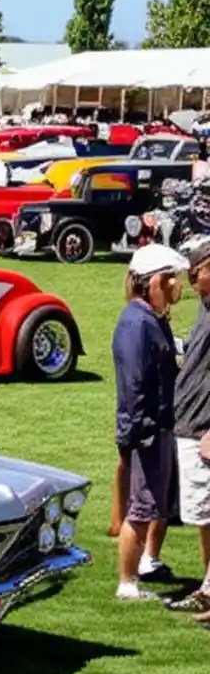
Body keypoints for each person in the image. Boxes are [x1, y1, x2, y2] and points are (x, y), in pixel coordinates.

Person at [113, 243, 187, 601]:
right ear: (153, 282)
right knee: (140, 509)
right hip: (147, 431)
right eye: (170, 278)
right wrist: (138, 434)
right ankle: (127, 583)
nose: (176, 286)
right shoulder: (136, 325)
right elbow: (134, 385)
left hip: (157, 426)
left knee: (153, 504)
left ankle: (144, 564)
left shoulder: (151, 320)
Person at [167, 238, 210, 617]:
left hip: (204, 430)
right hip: (190, 422)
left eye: (197, 272)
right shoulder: (205, 307)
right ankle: (209, 587)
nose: (192, 280)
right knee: (201, 516)